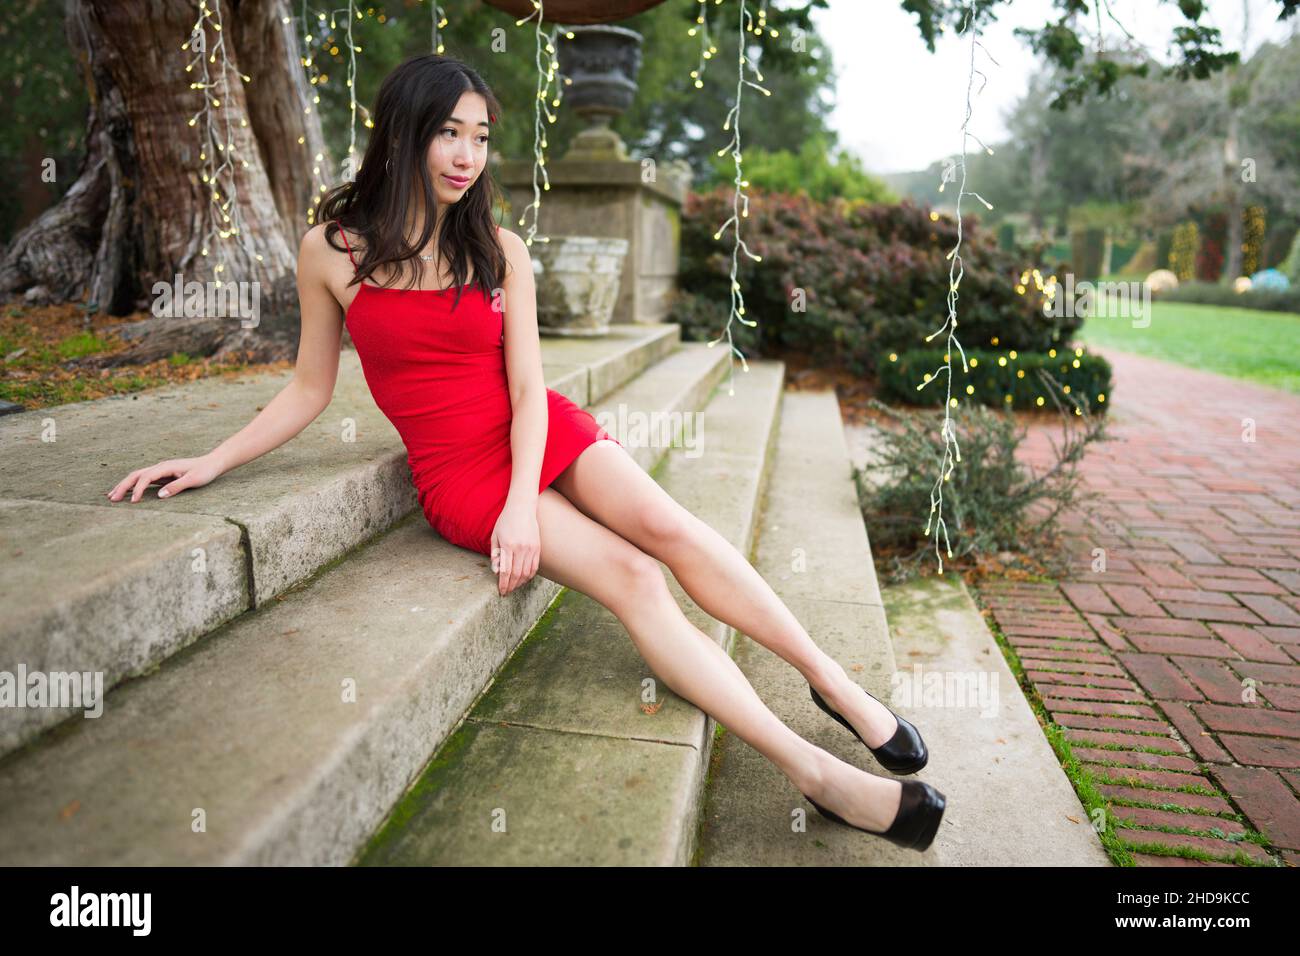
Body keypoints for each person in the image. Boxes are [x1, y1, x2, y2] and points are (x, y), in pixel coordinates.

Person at [106, 54, 945, 852]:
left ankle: (833, 684)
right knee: (635, 578)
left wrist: (525, 506)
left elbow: (528, 388)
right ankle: (817, 774)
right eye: (449, 133)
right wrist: (213, 461)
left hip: (537, 429)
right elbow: (308, 388)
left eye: (480, 136)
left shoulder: (498, 249)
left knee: (668, 526)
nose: (467, 155)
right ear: (403, 132)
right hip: (458, 471)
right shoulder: (332, 250)